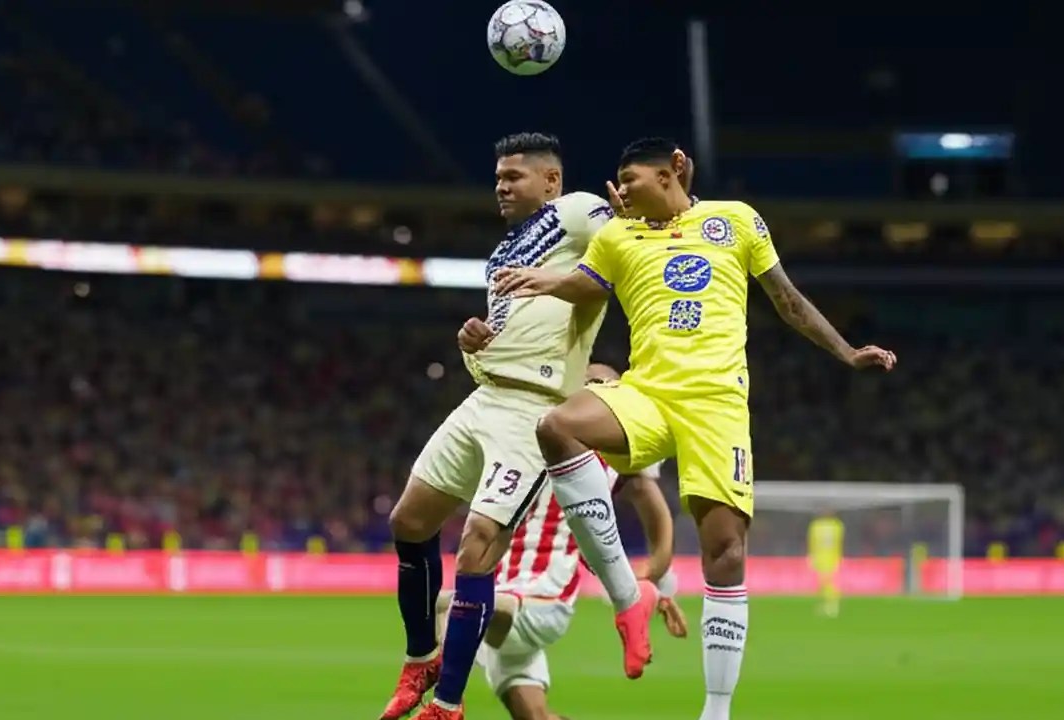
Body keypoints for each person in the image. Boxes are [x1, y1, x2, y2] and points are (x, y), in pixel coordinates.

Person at [492, 136, 897, 720]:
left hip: (716, 405)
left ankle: (716, 709)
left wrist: (847, 352)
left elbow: (786, 300)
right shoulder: (617, 236)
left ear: (672, 171)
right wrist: (542, 279)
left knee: (725, 552)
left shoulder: (736, 221)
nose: (622, 190)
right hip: (646, 393)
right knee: (558, 426)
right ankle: (626, 594)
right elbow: (584, 284)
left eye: (631, 179)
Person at [381, 133, 693, 720]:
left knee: (476, 546)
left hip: (534, 409)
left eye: (513, 177)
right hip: (486, 395)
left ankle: (447, 704)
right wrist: (475, 342)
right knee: (409, 521)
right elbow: (511, 332)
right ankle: (421, 657)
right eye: (498, 177)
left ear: (550, 181)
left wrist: (636, 220)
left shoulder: (577, 211)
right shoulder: (505, 251)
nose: (501, 187)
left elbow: (628, 246)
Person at [431, 363, 689, 720]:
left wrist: (652, 575)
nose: (594, 392)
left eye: (603, 386)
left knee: (447, 605)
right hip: (510, 594)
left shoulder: (605, 453)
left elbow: (650, 500)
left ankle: (446, 688)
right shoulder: (539, 435)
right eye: (588, 384)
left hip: (538, 602)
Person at [807, 512, 844, 618]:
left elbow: (812, 541)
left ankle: (832, 606)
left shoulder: (816, 526)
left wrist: (811, 556)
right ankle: (828, 605)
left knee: (828, 582)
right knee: (824, 582)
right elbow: (839, 542)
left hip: (825, 557)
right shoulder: (837, 525)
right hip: (828, 557)